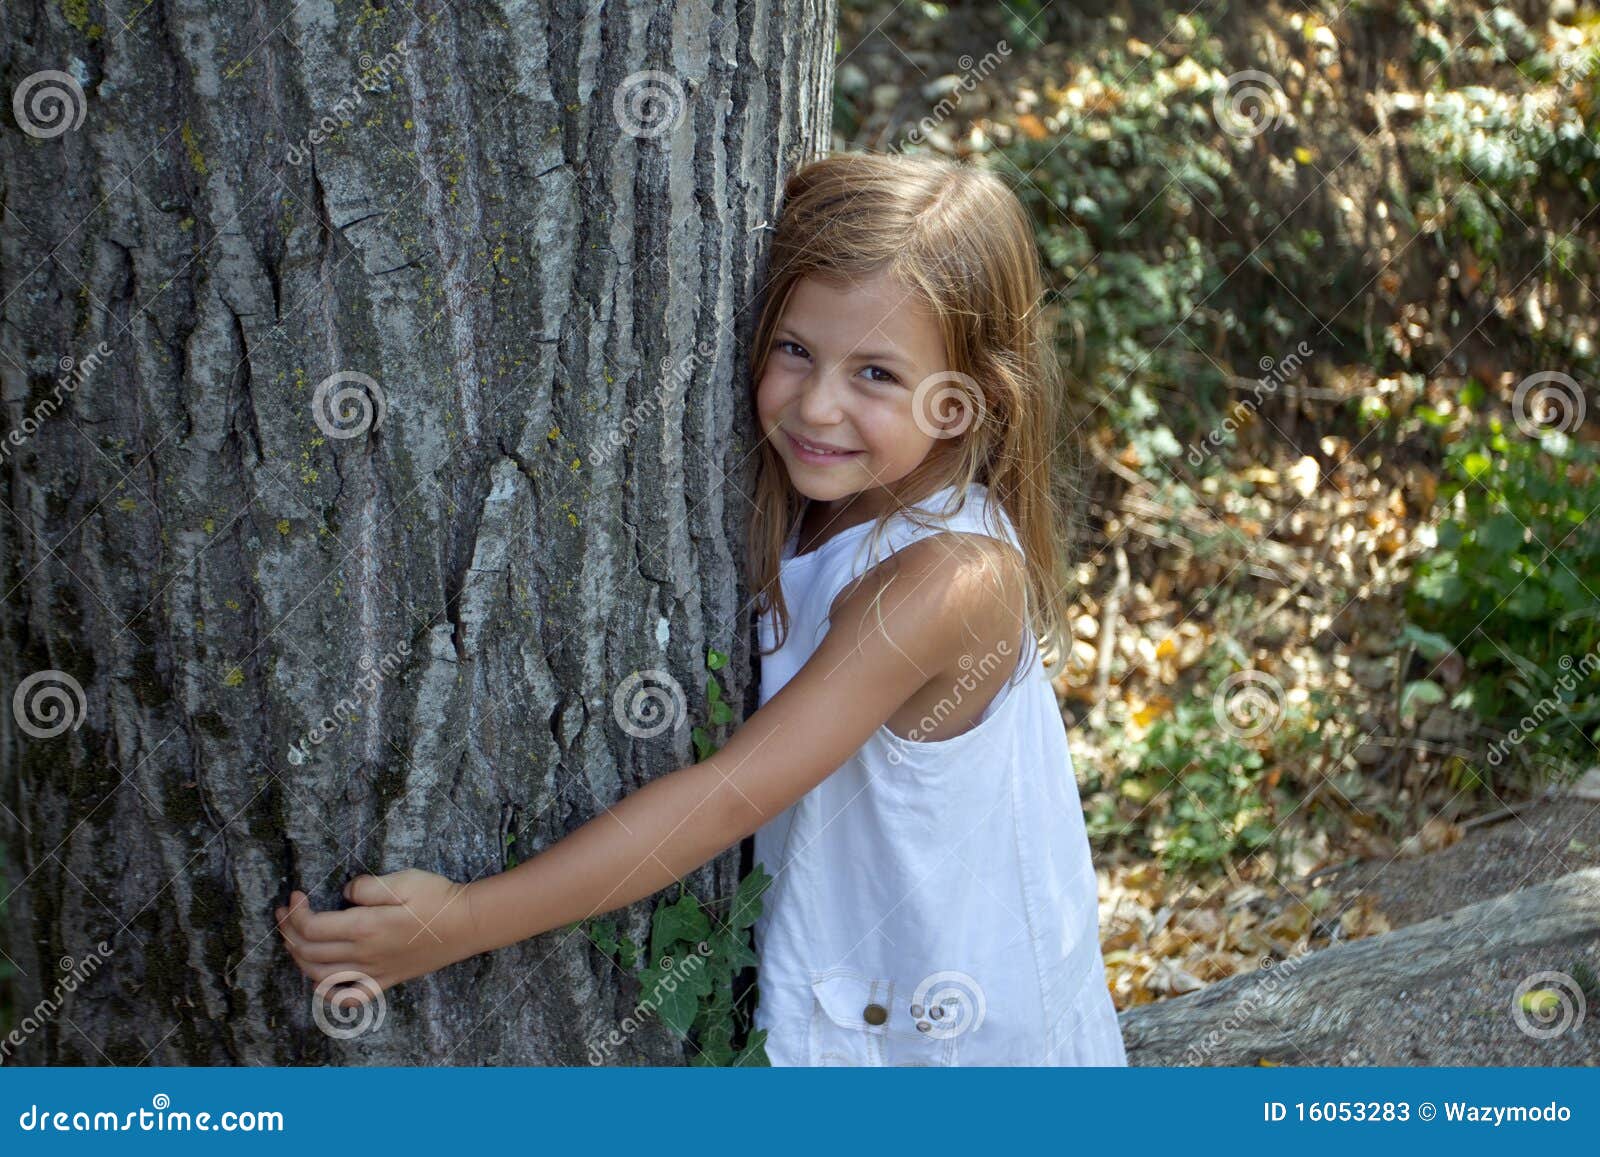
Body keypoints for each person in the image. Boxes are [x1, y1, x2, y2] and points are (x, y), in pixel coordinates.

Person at [276, 150, 1128, 1067]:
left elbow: (729, 798)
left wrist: (461, 920)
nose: (817, 404)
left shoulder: (946, 583)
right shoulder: (826, 507)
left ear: (962, 405)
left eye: (876, 374)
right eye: (796, 349)